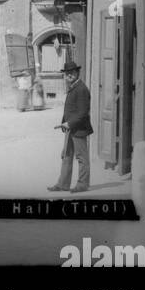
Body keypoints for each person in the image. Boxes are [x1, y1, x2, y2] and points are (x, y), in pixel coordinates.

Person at [48, 59, 92, 193]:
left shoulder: (82, 89)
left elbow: (83, 113)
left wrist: (69, 123)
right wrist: (64, 122)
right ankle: (62, 184)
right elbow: (70, 109)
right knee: (67, 155)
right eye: (67, 73)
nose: (69, 75)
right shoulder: (73, 87)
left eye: (72, 73)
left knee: (82, 157)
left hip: (79, 129)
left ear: (77, 72)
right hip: (70, 128)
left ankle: (82, 184)